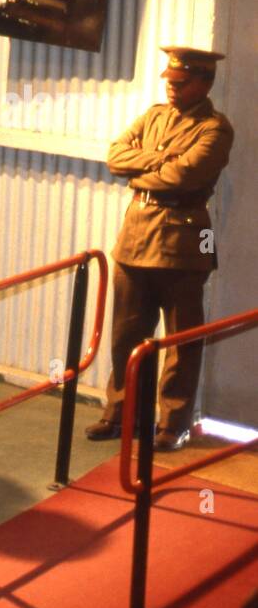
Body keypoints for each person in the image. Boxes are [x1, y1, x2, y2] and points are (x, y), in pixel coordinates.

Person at [85, 47, 233, 453]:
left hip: (185, 239)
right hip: (136, 234)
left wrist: (145, 169)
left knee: (182, 339)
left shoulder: (215, 130)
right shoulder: (153, 116)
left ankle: (173, 423)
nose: (171, 87)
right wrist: (159, 157)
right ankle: (122, 413)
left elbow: (183, 177)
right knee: (126, 334)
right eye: (169, 80)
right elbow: (116, 156)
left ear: (204, 83)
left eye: (180, 82)